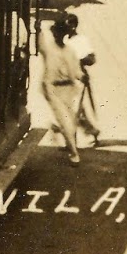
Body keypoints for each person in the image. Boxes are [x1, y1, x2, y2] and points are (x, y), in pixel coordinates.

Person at [38, 17, 86, 165]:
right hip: (53, 89)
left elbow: (76, 70)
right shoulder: (48, 48)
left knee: (70, 120)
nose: (59, 35)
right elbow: (40, 44)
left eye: (61, 33)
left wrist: (82, 76)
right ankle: (74, 153)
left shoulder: (69, 51)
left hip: (69, 90)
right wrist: (38, 29)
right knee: (65, 121)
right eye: (57, 33)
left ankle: (67, 140)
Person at [62, 12, 102, 146]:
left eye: (67, 25)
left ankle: (73, 141)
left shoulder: (82, 40)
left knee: (75, 109)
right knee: (73, 109)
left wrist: (78, 60)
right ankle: (92, 131)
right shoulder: (65, 40)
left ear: (73, 26)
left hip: (79, 79)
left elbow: (92, 58)